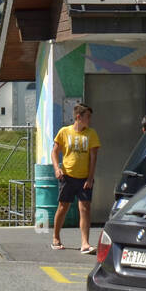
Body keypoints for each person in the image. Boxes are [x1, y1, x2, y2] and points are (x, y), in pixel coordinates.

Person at [52, 104, 100, 253]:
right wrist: (57, 168)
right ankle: (56, 238)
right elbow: (54, 152)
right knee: (63, 207)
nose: (89, 120)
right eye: (87, 117)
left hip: (84, 178)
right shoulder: (64, 132)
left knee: (85, 208)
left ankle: (85, 243)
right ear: (78, 117)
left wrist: (90, 177)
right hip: (67, 176)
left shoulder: (91, 134)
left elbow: (93, 157)